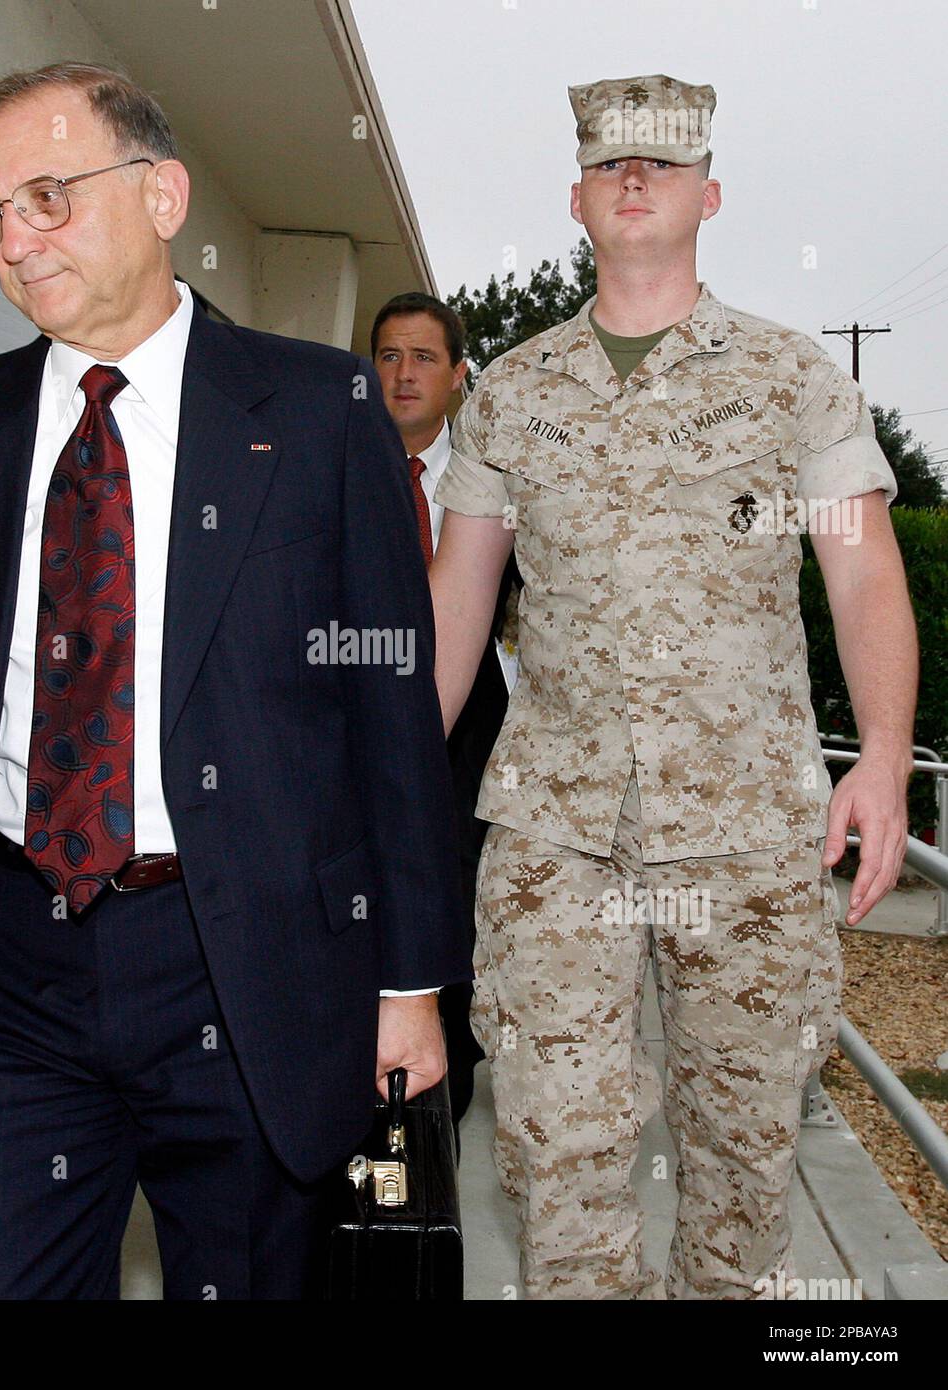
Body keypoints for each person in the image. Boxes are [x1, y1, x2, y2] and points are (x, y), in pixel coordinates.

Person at [0, 61, 469, 1300]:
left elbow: (390, 721)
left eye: (49, 196)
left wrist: (410, 984)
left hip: (249, 964)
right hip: (6, 968)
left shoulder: (321, 411)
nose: (15, 238)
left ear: (163, 195)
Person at [428, 73, 917, 1299]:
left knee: (742, 1153)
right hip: (554, 834)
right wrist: (382, 792)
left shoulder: (788, 379)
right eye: (608, 166)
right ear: (577, 200)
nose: (632, 180)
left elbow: (859, 580)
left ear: (709, 192)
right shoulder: (509, 395)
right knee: (553, 1143)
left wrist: (881, 760)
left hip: (747, 832)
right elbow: (456, 602)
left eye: (659, 163)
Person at [371, 293, 513, 1148]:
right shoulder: (331, 476)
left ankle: (437, 1113)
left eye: (424, 357)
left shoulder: (498, 487)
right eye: (387, 356)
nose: (403, 374)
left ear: (459, 378)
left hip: (472, 749)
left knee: (450, 912)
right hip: (352, 730)